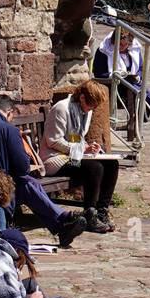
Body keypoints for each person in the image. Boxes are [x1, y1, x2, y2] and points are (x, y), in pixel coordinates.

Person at [0, 94, 87, 246]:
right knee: (27, 183)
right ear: (10, 112)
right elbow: (22, 168)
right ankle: (62, 221)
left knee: (28, 183)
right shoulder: (10, 130)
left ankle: (62, 223)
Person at [41, 80, 119, 232]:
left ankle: (101, 210)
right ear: (82, 98)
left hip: (72, 157)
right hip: (55, 159)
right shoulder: (61, 109)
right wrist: (80, 149)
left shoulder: (86, 112)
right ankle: (89, 213)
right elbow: (54, 140)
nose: (93, 109)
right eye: (91, 104)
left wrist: (87, 147)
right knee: (93, 168)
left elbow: (74, 136)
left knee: (112, 164)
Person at [92, 30, 150, 118]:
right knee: (136, 97)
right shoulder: (103, 51)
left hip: (134, 84)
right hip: (114, 86)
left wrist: (138, 76)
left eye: (125, 45)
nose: (122, 47)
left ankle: (137, 122)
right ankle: (133, 122)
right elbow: (99, 73)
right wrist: (116, 76)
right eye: (119, 44)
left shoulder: (134, 50)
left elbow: (141, 68)